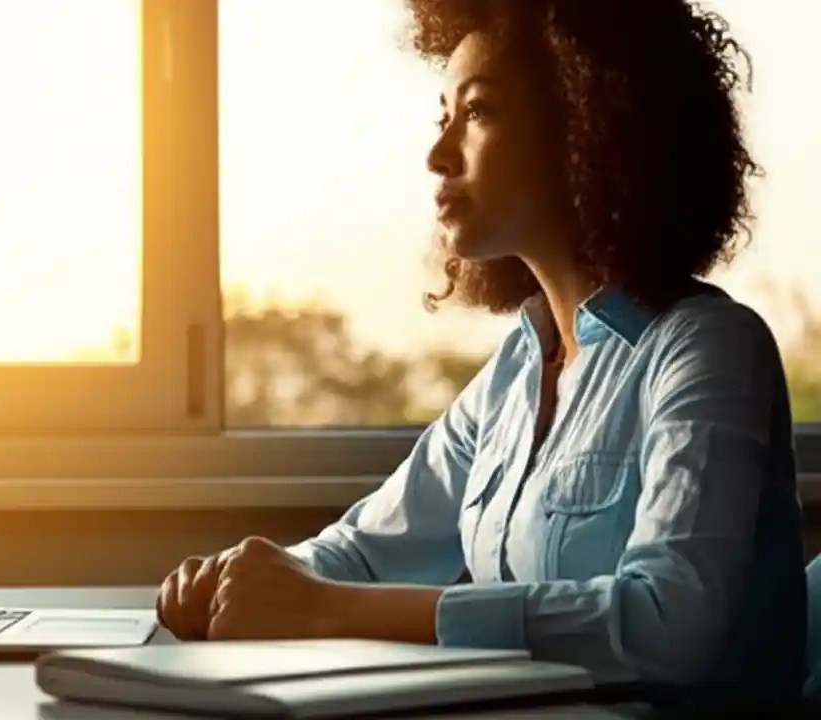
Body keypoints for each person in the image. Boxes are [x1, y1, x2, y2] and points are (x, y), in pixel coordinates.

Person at [156, 0, 806, 707]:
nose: (438, 154)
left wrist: (321, 609)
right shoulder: (517, 374)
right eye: (443, 117)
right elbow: (365, 554)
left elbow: (666, 625)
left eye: (479, 113)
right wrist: (242, 582)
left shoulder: (707, 348)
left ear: (586, 127)